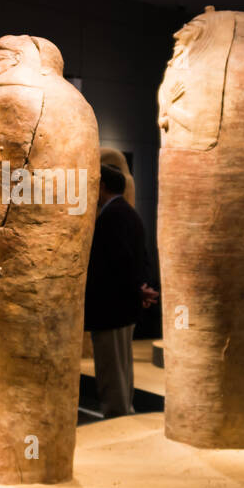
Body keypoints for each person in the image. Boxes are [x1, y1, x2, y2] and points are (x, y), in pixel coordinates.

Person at [84, 163, 159, 417]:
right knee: (122, 364)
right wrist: (142, 288)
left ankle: (117, 415)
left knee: (110, 366)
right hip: (123, 307)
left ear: (102, 185)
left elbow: (119, 261)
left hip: (111, 308)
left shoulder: (111, 216)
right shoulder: (129, 213)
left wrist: (137, 289)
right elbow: (141, 257)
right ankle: (124, 410)